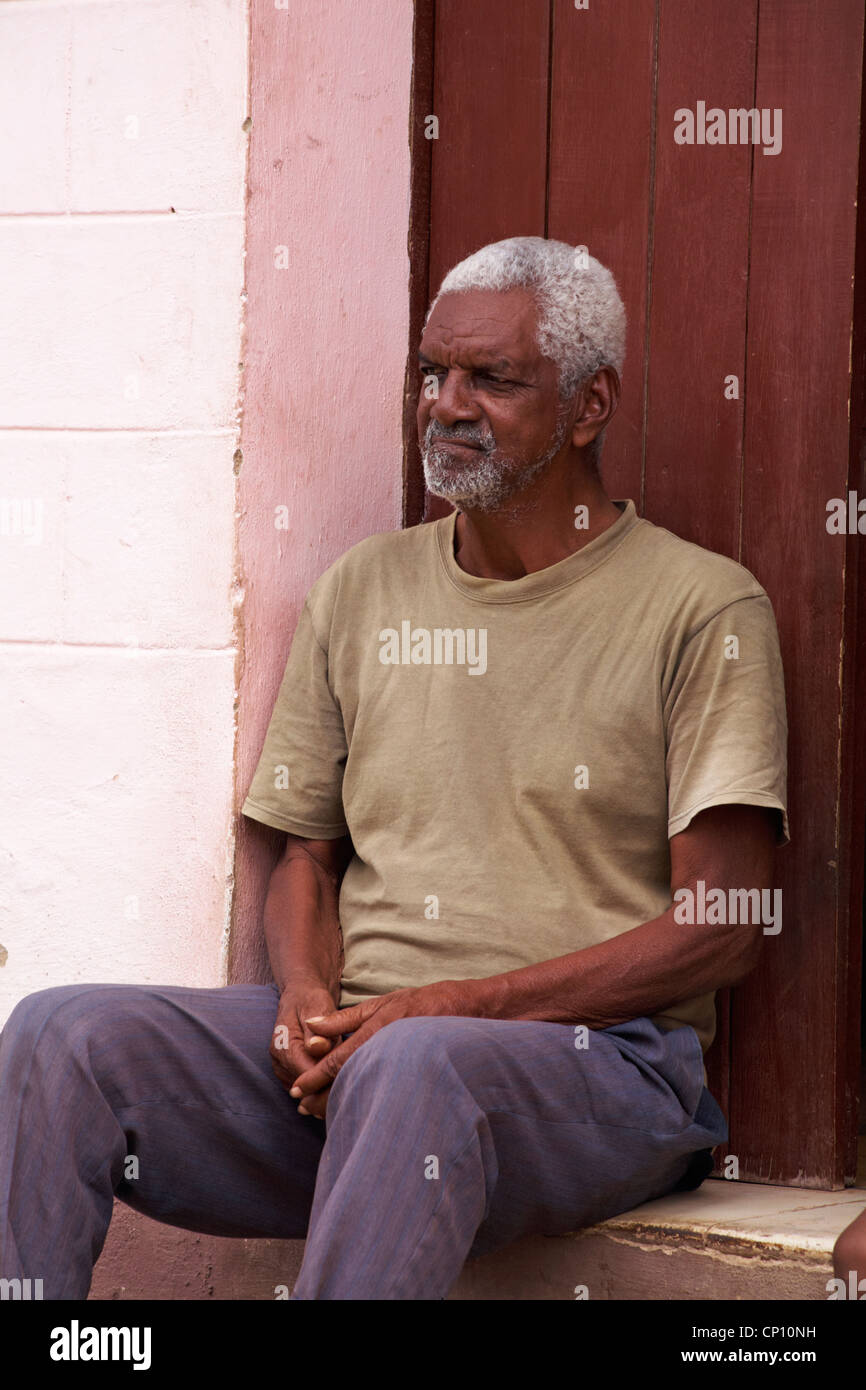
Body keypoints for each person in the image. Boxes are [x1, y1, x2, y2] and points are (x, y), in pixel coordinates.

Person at [0, 237, 788, 1301]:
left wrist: (459, 1003)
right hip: (358, 1054)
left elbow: (724, 922)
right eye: (430, 372)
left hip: (600, 1072)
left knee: (411, 1065)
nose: (444, 403)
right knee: (61, 1033)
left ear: (589, 405)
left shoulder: (700, 606)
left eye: (491, 378)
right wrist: (305, 992)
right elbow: (302, 858)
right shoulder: (361, 589)